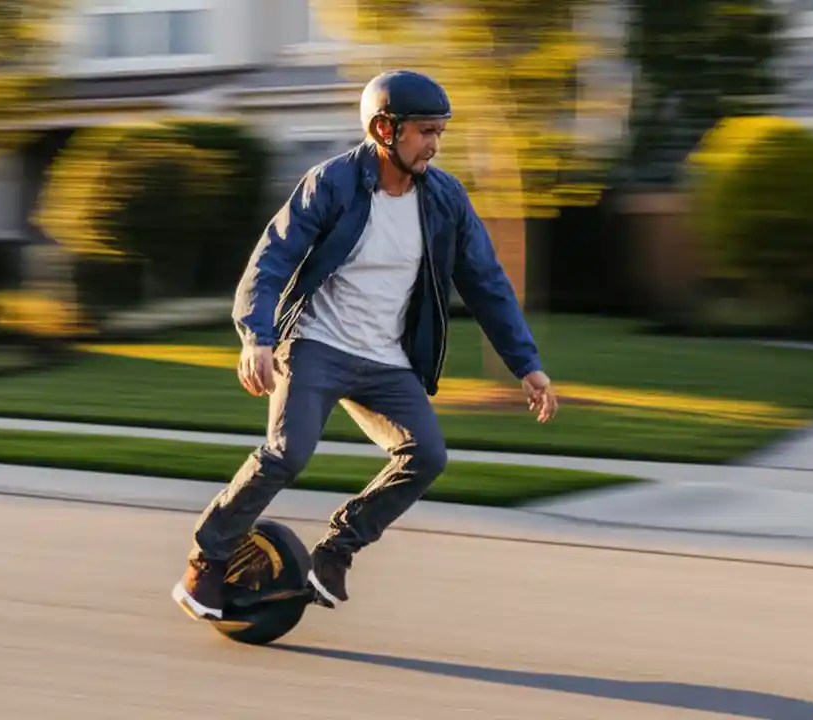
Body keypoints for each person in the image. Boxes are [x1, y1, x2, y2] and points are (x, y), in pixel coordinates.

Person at [173, 69, 558, 621]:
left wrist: (526, 364)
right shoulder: (333, 184)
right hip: (316, 345)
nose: (434, 144)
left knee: (426, 455)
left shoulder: (444, 198)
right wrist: (256, 336)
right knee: (289, 452)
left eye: (440, 132)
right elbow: (273, 256)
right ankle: (207, 559)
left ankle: (335, 550)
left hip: (385, 359)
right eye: (425, 131)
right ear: (385, 129)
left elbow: (486, 281)